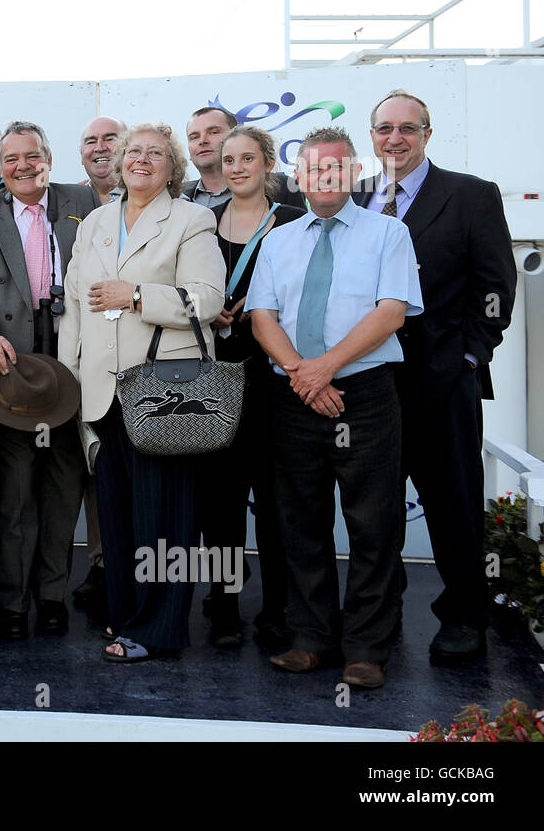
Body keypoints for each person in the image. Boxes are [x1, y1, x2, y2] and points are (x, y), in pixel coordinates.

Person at [248, 126, 422, 690]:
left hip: (364, 395)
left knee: (373, 523)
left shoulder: (389, 234)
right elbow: (262, 318)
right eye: (313, 168)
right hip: (295, 396)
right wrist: (304, 374)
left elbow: (391, 312)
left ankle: (368, 646)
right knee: (300, 521)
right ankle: (310, 638)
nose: (324, 177)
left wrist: (324, 368)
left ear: (352, 174)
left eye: (335, 168)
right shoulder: (278, 240)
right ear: (298, 176)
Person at [356, 89, 516, 661]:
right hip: (367, 385)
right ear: (371, 136)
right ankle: (381, 611)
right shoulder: (350, 200)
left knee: (453, 506)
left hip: (443, 383)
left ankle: (464, 617)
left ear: (427, 133)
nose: (394, 138)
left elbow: (495, 287)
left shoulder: (471, 196)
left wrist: (470, 359)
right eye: (383, 129)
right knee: (373, 510)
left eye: (407, 128)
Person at [57, 123, 226, 662]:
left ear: (174, 167)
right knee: (119, 518)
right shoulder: (97, 222)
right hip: (103, 395)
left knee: (166, 518)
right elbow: (76, 309)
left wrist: (135, 296)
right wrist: (69, 382)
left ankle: (159, 629)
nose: (141, 160)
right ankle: (128, 619)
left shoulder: (193, 219)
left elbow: (204, 300)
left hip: (165, 394)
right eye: (134, 152)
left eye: (155, 153)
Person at [0, 121, 95, 639]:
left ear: (49, 158)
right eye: (10, 159)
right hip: (11, 370)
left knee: (63, 491)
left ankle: (52, 597)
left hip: (73, 368)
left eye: (31, 156)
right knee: (14, 497)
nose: (21, 166)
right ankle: (12, 604)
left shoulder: (82, 199)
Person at [200, 125, 303, 649]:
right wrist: (203, 310)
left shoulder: (291, 221)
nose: (237, 167)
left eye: (248, 158)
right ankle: (222, 608)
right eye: (229, 159)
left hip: (274, 380)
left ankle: (278, 610)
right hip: (214, 379)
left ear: (268, 164)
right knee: (220, 500)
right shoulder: (200, 223)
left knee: (276, 499)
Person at [72, 113, 128, 615]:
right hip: (85, 367)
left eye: (112, 138)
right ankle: (102, 564)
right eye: (91, 141)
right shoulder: (70, 205)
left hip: (149, 372)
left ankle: (143, 584)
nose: (102, 147)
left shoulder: (182, 209)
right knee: (96, 474)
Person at [181, 106, 301, 209]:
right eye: (194, 137)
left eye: (214, 132)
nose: (202, 141)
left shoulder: (285, 188)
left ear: (234, 135)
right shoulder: (177, 196)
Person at [79, 115, 127, 204]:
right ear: (81, 154)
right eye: (91, 142)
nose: (100, 148)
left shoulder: (145, 196)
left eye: (110, 139)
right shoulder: (68, 200)